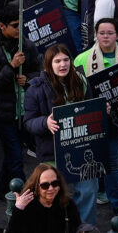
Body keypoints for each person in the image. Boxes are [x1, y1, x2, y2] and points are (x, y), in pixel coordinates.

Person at [25, 45, 98, 224]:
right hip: (52, 152)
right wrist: (45, 123)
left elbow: (90, 106)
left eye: (66, 60)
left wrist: (100, 111)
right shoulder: (35, 88)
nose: (63, 64)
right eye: (57, 61)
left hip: (80, 148)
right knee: (53, 196)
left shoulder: (81, 81)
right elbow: (28, 123)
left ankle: (83, 227)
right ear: (48, 65)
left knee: (88, 190)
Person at [0, 2, 40, 199]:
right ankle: (22, 198)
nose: (19, 29)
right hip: (3, 113)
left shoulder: (27, 45)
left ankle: (0, 188)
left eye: (20, 25)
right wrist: (12, 66)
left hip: (25, 111)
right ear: (2, 26)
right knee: (16, 157)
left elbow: (39, 74)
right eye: (15, 25)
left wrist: (29, 80)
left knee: (12, 154)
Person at [8, 163, 81, 233]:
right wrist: (18, 209)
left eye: (54, 183)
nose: (51, 188)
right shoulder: (27, 207)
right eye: (45, 185)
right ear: (37, 186)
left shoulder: (67, 205)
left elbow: (76, 227)